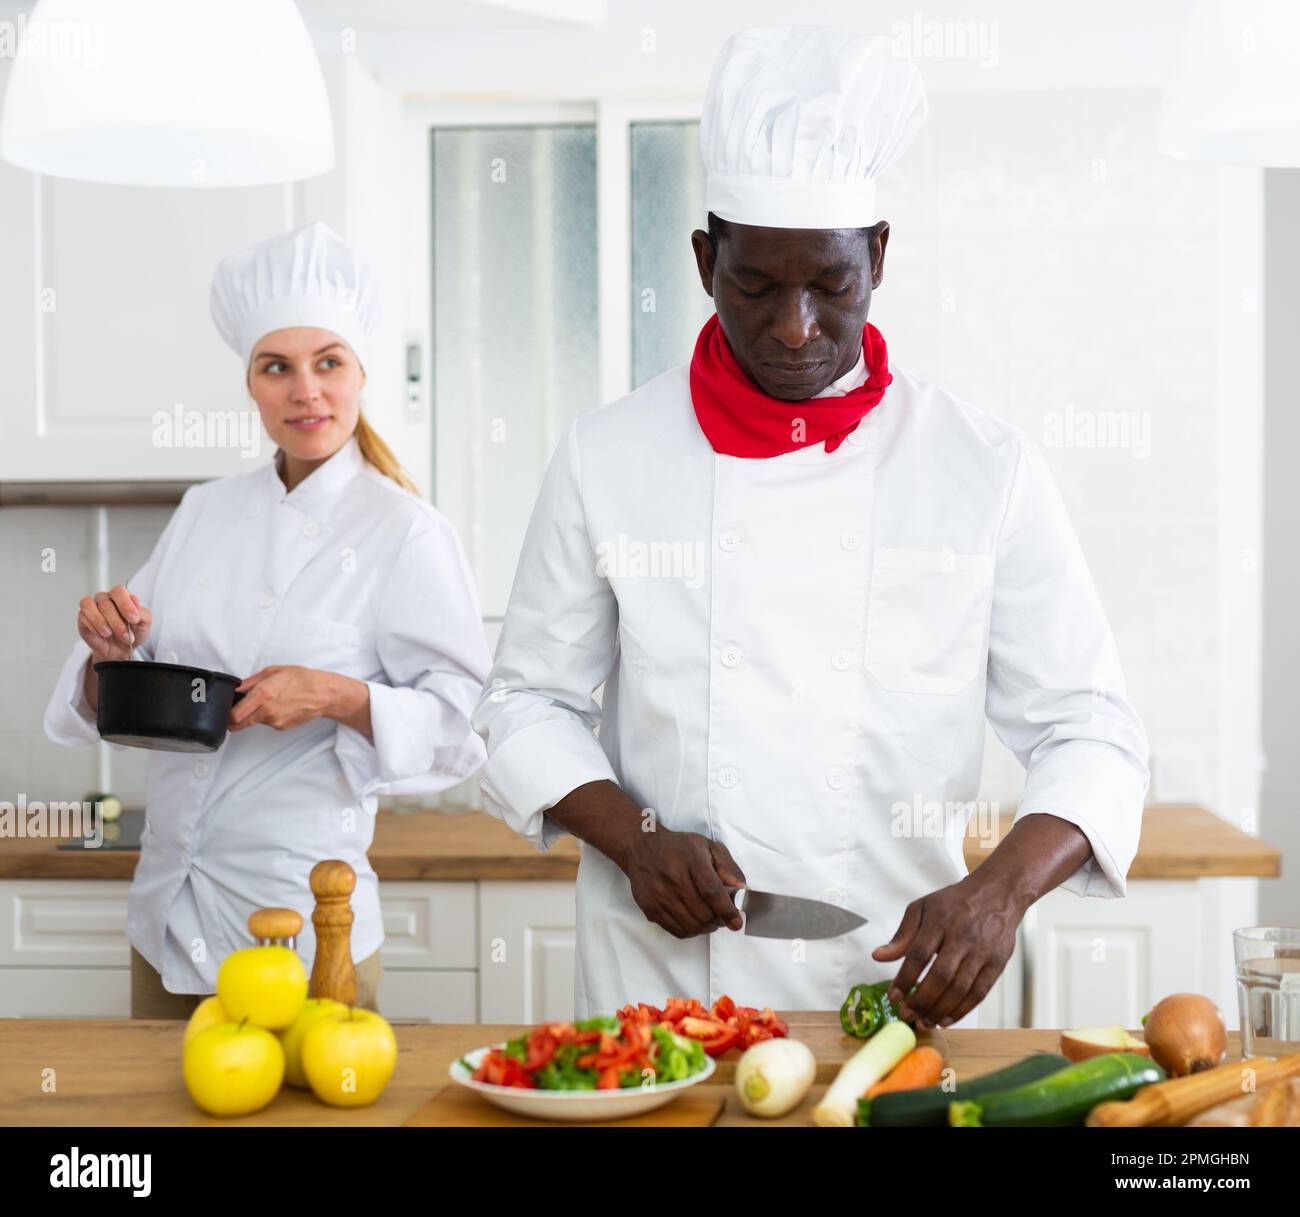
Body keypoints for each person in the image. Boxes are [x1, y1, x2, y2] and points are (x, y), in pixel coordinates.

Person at [472, 26, 1150, 1028]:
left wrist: (998, 890)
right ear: (705, 262)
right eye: (755, 285)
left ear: (877, 255)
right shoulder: (605, 457)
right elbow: (522, 705)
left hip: (891, 986)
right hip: (664, 997)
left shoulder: (982, 467)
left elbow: (1091, 728)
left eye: (831, 285)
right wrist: (634, 835)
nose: (795, 327)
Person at [45, 221, 491, 1019]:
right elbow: (123, 690)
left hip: (302, 935)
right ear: (251, 384)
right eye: (276, 367)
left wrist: (337, 695)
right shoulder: (204, 510)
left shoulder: (406, 532)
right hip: (166, 926)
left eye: (328, 363)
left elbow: (465, 726)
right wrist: (104, 650)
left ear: (360, 374)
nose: (305, 391)